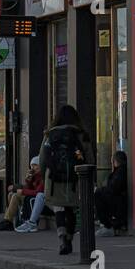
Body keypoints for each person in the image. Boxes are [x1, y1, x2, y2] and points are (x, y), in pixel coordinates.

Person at [35, 105, 92, 255]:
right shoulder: (81, 134)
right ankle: (70, 237)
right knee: (71, 209)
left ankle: (62, 238)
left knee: (59, 208)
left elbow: (42, 158)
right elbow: (89, 157)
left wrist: (44, 174)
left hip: (54, 178)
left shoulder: (50, 134)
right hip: (75, 177)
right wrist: (89, 176)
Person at [0, 157, 44, 231]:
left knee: (15, 196)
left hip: (37, 199)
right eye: (31, 166)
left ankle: (8, 221)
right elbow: (29, 188)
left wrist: (22, 191)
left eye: (35, 165)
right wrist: (28, 181)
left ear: (40, 166)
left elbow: (38, 192)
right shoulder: (34, 176)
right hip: (31, 197)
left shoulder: (43, 177)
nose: (33, 168)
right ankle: (10, 220)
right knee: (11, 194)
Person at [95, 150, 128, 236]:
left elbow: (114, 188)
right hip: (119, 200)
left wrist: (101, 190)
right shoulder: (122, 171)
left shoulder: (120, 172)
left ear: (116, 161)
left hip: (118, 202)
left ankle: (108, 225)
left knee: (98, 195)